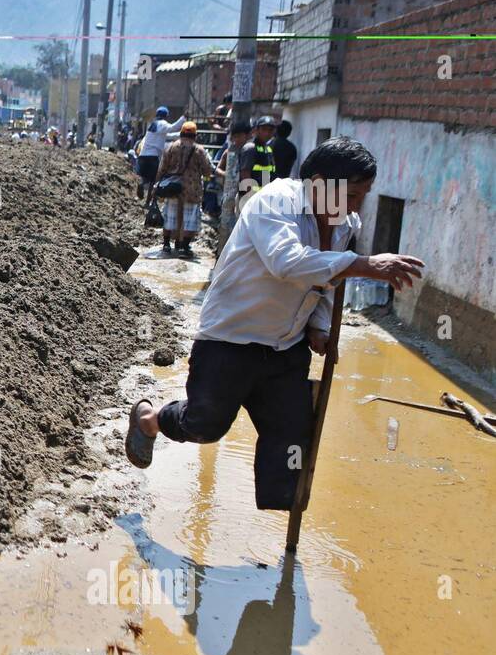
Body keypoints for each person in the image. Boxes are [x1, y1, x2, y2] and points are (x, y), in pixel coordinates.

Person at [124, 137, 425, 510]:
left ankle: (280, 530)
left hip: (286, 346)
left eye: (362, 195)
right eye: (351, 194)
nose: (355, 205)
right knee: (205, 426)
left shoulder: (344, 223)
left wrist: (319, 327)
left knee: (292, 436)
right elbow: (287, 262)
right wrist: (362, 264)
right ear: (318, 183)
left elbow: (327, 282)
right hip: (231, 337)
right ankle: (150, 420)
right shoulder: (275, 202)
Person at [155, 120, 214, 257]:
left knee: (170, 216)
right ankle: (184, 247)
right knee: (190, 218)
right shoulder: (199, 150)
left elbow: (162, 168)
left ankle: (166, 245)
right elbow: (207, 171)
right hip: (191, 189)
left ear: (181, 133)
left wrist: (157, 185)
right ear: (195, 135)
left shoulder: (171, 147)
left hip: (172, 188)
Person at [213, 119, 252, 255]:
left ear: (247, 135)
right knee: (226, 225)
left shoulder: (253, 151)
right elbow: (218, 170)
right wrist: (229, 176)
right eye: (233, 136)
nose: (236, 139)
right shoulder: (230, 151)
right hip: (230, 196)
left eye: (238, 136)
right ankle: (222, 253)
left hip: (248, 196)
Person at [137, 106, 187, 206]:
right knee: (153, 180)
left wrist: (181, 135)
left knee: (145, 177)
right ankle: (148, 202)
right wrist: (183, 118)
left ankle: (141, 184)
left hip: (143, 156)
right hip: (153, 157)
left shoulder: (153, 125)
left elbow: (167, 136)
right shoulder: (162, 123)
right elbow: (172, 128)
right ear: (166, 116)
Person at [238, 115, 278, 204]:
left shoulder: (268, 149)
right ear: (256, 130)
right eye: (264, 129)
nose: (267, 133)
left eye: (270, 130)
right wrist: (251, 196)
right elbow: (245, 173)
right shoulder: (250, 148)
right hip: (251, 198)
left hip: (263, 197)